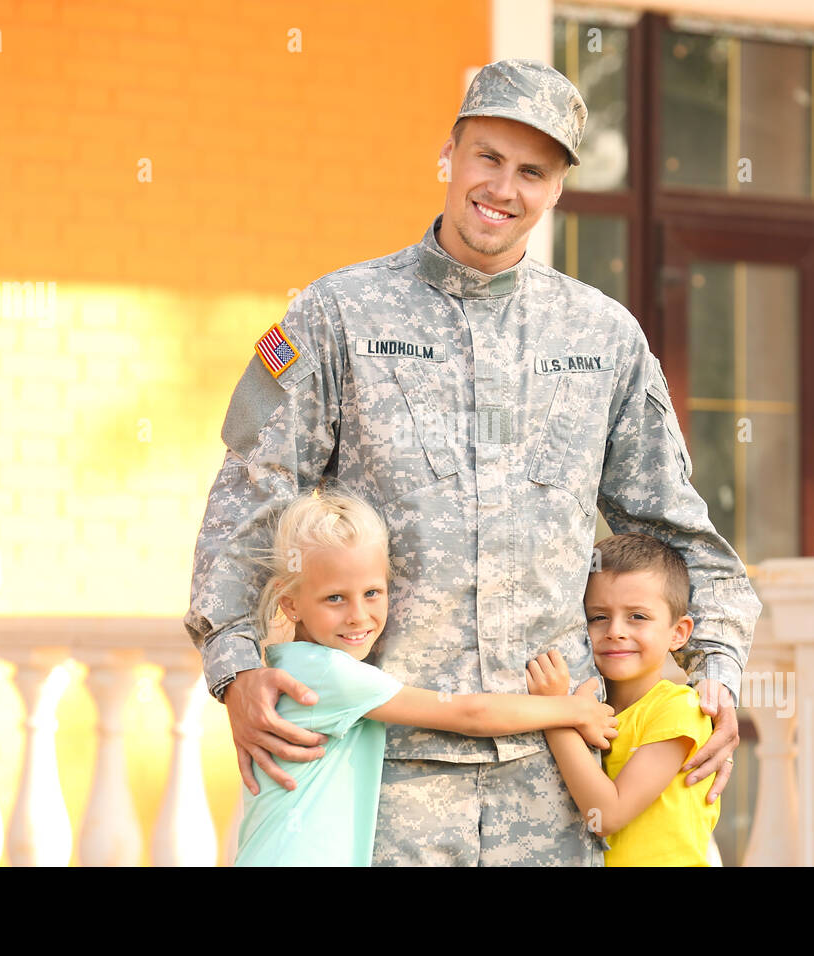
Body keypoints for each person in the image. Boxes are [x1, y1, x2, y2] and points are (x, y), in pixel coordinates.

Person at [185, 58, 762, 865]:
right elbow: (255, 493)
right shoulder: (336, 315)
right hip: (384, 778)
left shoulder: (603, 339)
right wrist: (234, 663)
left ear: (558, 189)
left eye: (532, 170)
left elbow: (680, 536)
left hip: (559, 789)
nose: (503, 187)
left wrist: (719, 674)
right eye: (487, 156)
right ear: (448, 157)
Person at [235, 489, 618, 866]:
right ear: (290, 603)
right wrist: (572, 710)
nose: (357, 615)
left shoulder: (293, 663)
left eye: (372, 592)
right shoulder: (327, 674)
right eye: (335, 598)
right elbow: (472, 714)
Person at [526, 533, 719, 866]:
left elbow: (608, 815)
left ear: (678, 633)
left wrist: (556, 713)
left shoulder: (680, 710)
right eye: (598, 617)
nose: (615, 630)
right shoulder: (595, 706)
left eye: (637, 617)